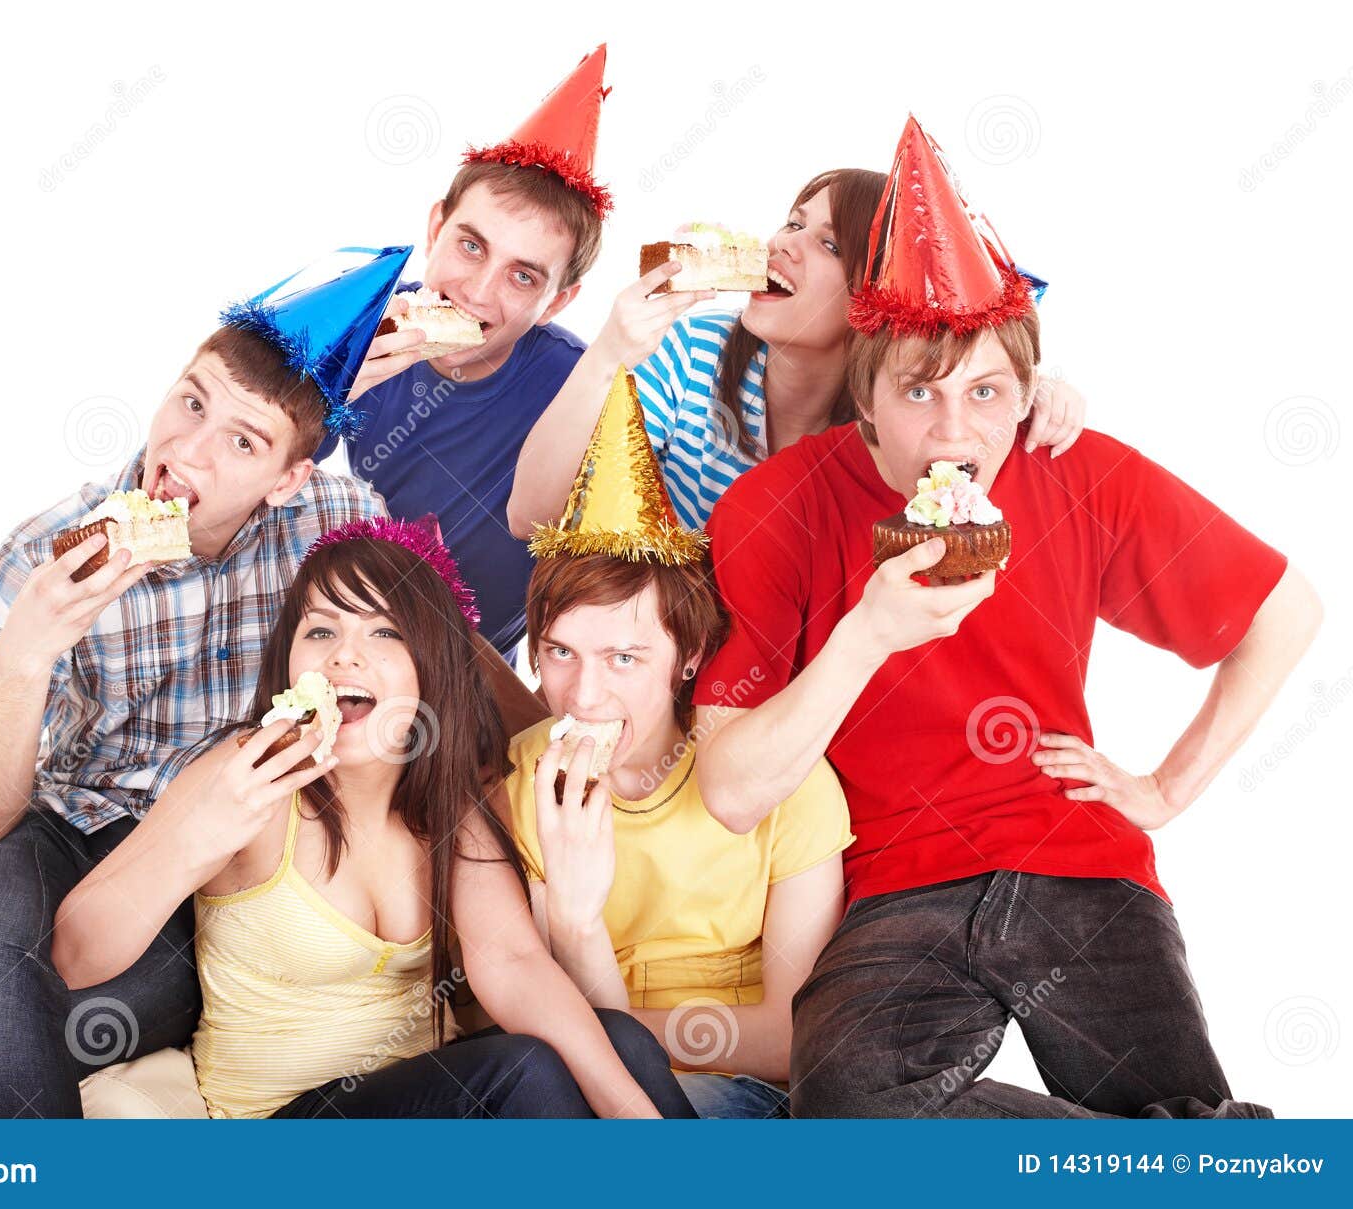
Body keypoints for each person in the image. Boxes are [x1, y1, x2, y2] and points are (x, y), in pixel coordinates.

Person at [688, 117, 1321, 1117]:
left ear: (1025, 394)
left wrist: (1162, 789)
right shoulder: (773, 506)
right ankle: (1186, 1163)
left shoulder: (1079, 475)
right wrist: (868, 635)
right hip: (895, 887)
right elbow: (728, 790)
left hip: (1079, 858)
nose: (955, 430)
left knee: (1173, 1096)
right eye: (918, 392)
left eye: (986, 392)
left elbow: (1284, 610)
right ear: (867, 398)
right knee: (847, 1113)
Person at [0, 250, 401, 1119]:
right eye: (191, 401)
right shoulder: (44, 551)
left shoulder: (335, 524)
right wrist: (29, 648)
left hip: (201, 864)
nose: (185, 452)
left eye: (242, 440)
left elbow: (409, 664)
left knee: (96, 1008)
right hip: (56, 826)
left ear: (289, 477)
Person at [52, 520, 694, 1117]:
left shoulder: (448, 808)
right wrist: (198, 836)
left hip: (425, 1110)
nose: (344, 657)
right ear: (289, 661)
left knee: (621, 1044)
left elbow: (516, 966)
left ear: (429, 670)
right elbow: (76, 956)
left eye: (385, 633)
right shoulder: (244, 778)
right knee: (526, 1071)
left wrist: (638, 1122)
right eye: (322, 631)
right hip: (283, 1126)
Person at [501, 370, 852, 1117]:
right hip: (576, 1085)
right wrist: (576, 917)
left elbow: (793, 1038)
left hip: (732, 1091)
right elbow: (529, 1008)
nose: (584, 695)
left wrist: (616, 1036)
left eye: (623, 658)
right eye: (561, 652)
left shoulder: (785, 780)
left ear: (689, 657)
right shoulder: (521, 777)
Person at [507, 169, 1087, 538]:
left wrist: (1026, 397)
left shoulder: (898, 413)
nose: (784, 242)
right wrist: (609, 350)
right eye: (793, 222)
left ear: (872, 298)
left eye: (828, 243)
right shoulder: (694, 349)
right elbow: (529, 517)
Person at [322, 46, 611, 661]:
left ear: (559, 303)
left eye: (523, 277)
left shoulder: (579, 386)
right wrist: (333, 394)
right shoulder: (361, 320)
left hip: (475, 670)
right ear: (434, 229)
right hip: (346, 627)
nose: (477, 294)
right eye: (471, 246)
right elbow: (261, 461)